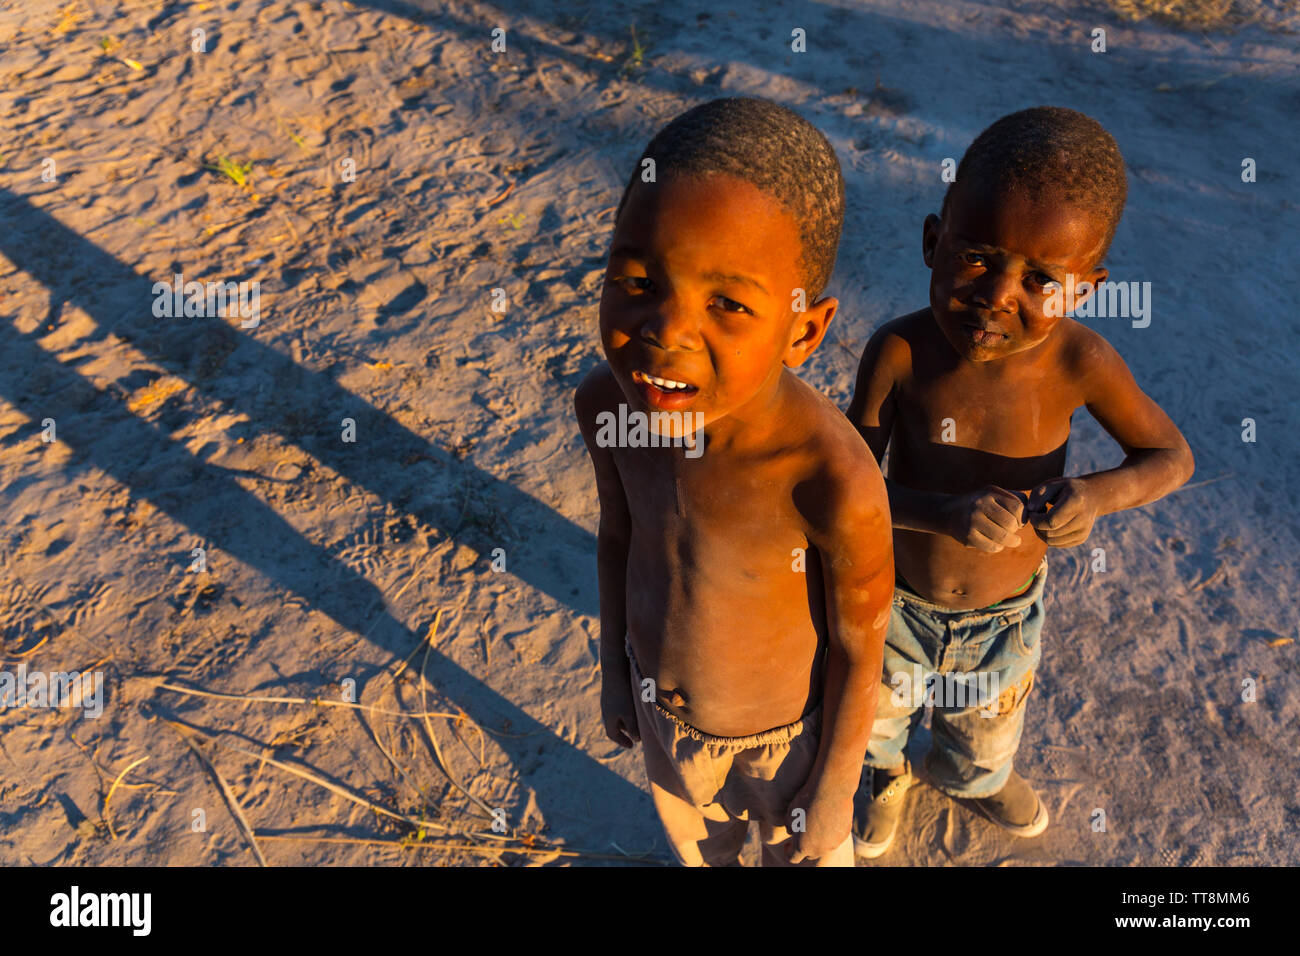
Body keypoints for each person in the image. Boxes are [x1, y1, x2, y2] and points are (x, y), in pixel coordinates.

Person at [847, 106, 1194, 858]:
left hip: (1005, 616)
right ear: (934, 241)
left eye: (1041, 279)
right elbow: (847, 486)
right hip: (894, 596)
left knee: (986, 726)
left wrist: (1095, 497)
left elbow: (1169, 457)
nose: (999, 294)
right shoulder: (900, 352)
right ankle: (883, 775)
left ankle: (967, 774)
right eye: (976, 257)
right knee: (876, 714)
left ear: (1084, 291)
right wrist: (938, 516)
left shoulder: (1081, 363)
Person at [575, 97, 893, 866]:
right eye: (640, 281)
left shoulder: (829, 477)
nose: (667, 331)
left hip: (792, 744)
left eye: (727, 304)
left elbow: (861, 646)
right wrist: (617, 678)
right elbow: (619, 536)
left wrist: (836, 786)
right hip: (665, 721)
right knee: (704, 855)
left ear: (803, 332)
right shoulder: (606, 406)